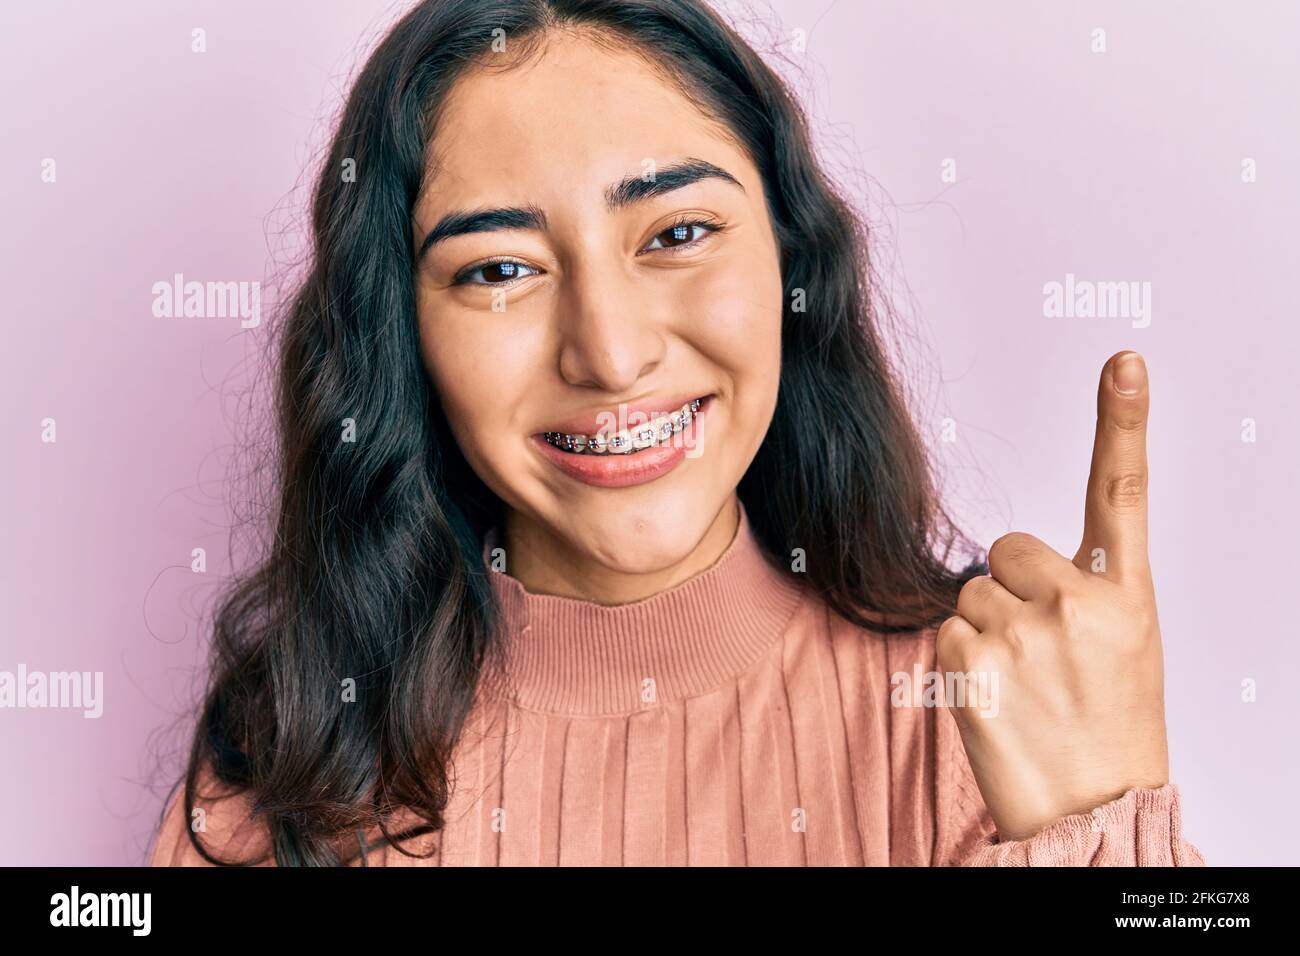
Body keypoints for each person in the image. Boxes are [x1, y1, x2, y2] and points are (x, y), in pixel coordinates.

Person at [148, 0, 1202, 867]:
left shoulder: (984, 715)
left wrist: (1111, 818)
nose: (607, 352)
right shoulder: (292, 771)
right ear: (404, 336)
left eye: (678, 232)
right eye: (500, 267)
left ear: (790, 266)